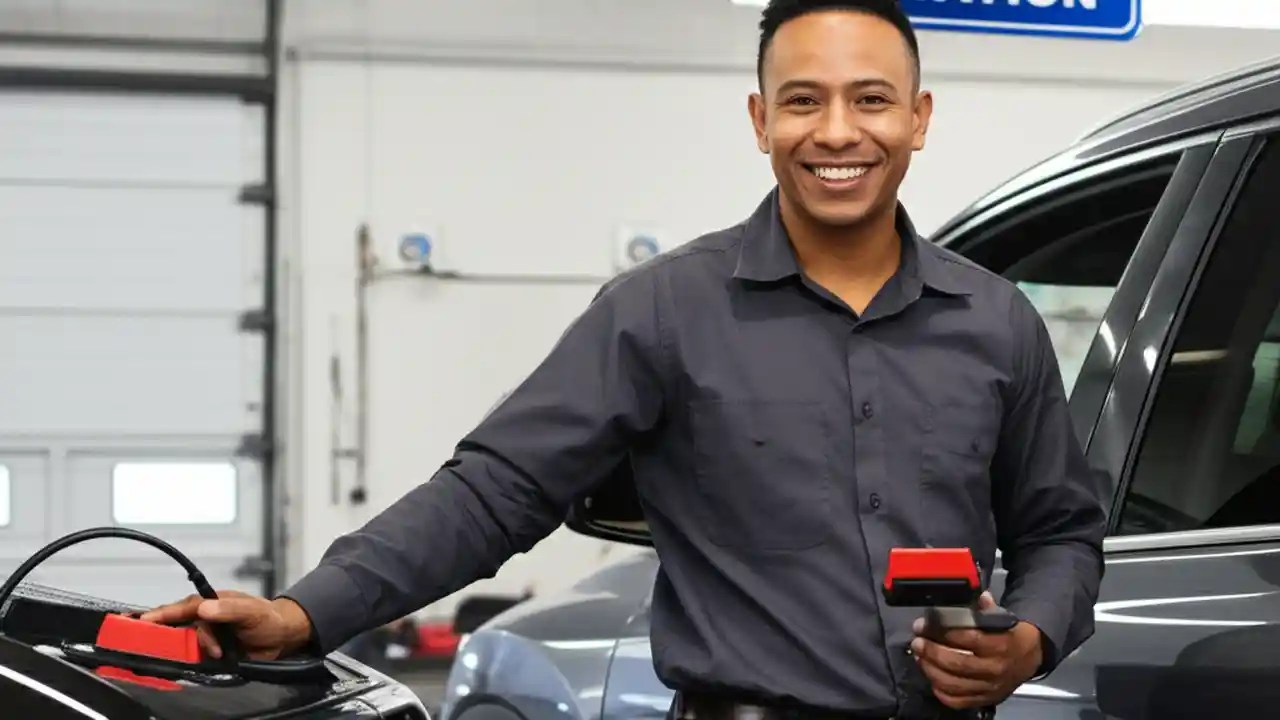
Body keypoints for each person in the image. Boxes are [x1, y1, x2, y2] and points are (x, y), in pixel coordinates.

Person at [141, 1, 1107, 717]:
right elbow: (496, 492)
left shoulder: (995, 322)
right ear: (760, 119)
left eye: (872, 100)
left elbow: (1058, 528)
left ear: (919, 118)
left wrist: (1028, 637)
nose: (838, 132)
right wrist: (306, 614)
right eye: (803, 100)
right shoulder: (663, 312)